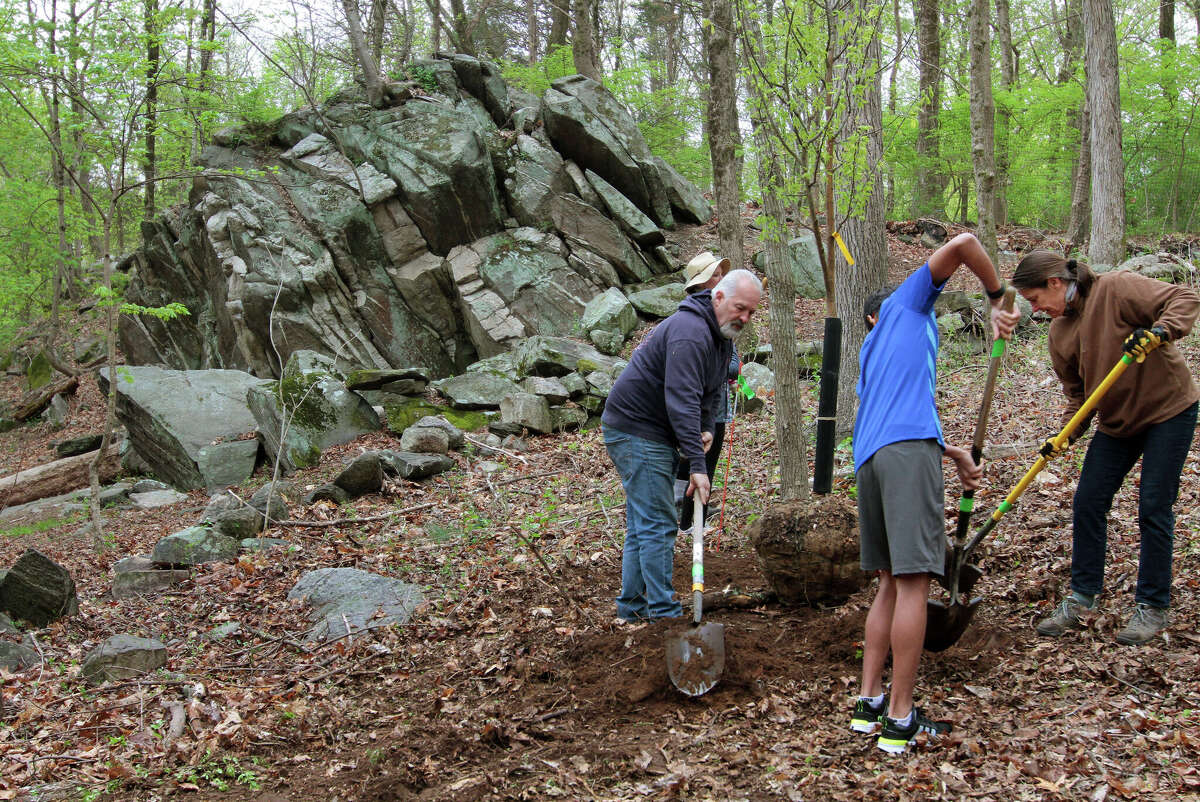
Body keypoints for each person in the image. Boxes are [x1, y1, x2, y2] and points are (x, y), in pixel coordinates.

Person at [850, 233, 1018, 754]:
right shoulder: (905, 306)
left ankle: (869, 702)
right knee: (915, 583)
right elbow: (965, 244)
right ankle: (901, 719)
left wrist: (954, 454)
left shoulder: (870, 356)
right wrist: (997, 298)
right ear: (885, 311)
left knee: (888, 586)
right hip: (904, 458)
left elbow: (899, 418)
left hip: (871, 460)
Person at [1011, 251, 1199, 646]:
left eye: (1034, 299)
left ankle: (1152, 605)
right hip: (1117, 423)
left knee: (1153, 504)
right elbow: (1078, 394)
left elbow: (1184, 298)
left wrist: (1161, 332)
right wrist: (1066, 433)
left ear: (1055, 283)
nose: (1036, 309)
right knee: (1089, 501)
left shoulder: (1115, 288)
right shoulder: (1058, 332)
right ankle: (1082, 596)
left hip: (1168, 410)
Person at [602, 267, 762, 622]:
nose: (745, 318)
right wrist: (697, 466)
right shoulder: (690, 333)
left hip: (653, 429)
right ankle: (663, 613)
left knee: (642, 522)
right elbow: (681, 400)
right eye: (740, 308)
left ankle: (632, 608)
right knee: (659, 521)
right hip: (636, 429)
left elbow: (709, 393)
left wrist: (705, 430)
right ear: (718, 296)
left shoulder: (720, 337)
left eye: (751, 312)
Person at [672, 252, 740, 532]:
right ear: (701, 284)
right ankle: (687, 521)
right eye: (715, 275)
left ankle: (689, 516)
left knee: (700, 462)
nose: (721, 279)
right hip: (699, 410)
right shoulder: (692, 324)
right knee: (696, 462)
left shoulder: (719, 324)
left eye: (721, 274)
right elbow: (725, 366)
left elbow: (732, 363)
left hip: (715, 406)